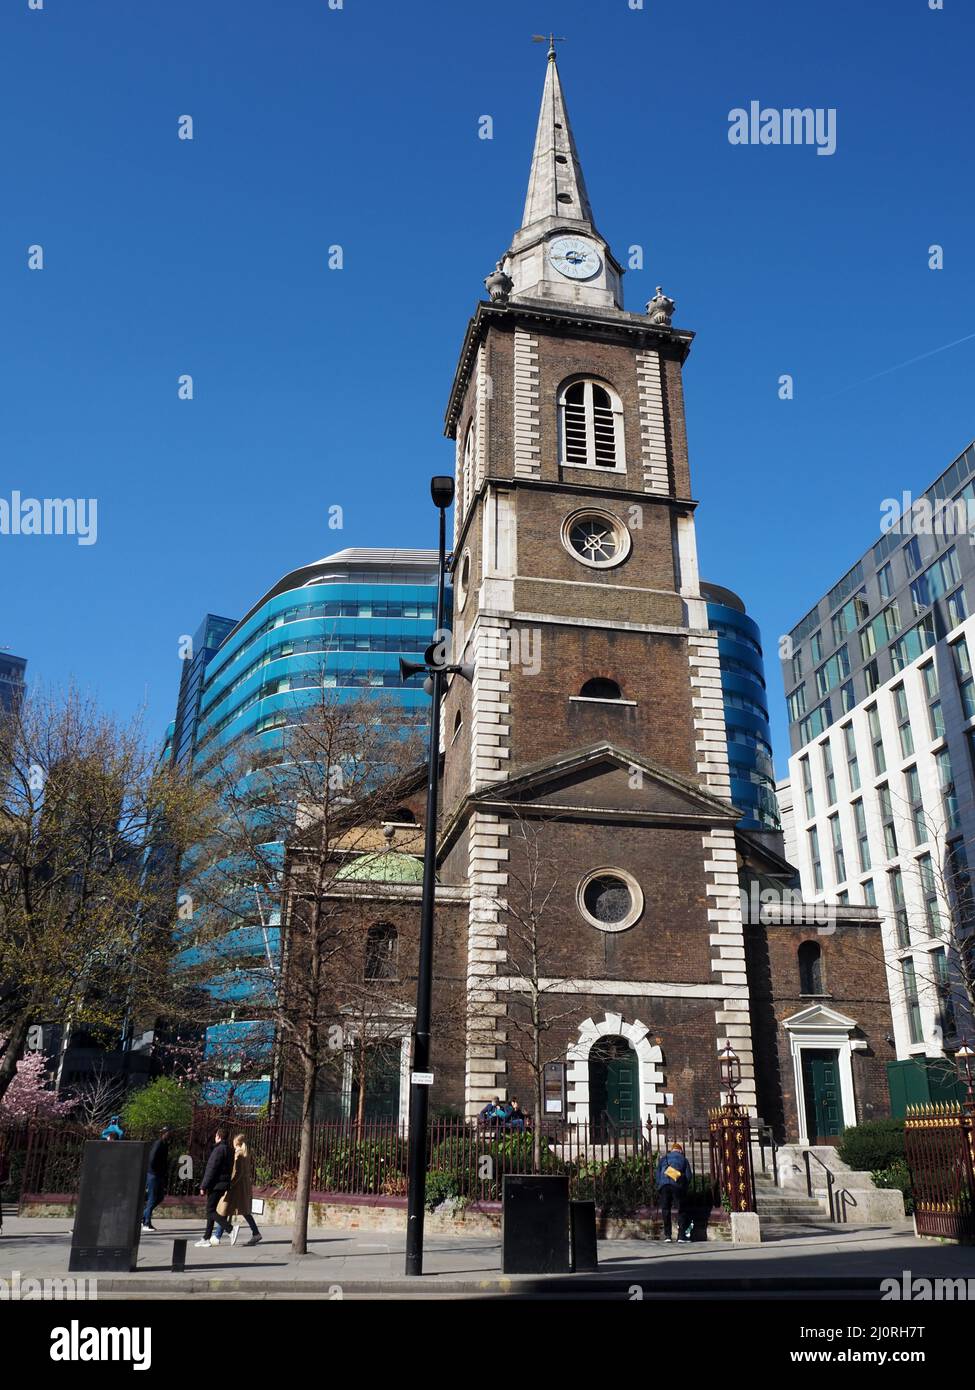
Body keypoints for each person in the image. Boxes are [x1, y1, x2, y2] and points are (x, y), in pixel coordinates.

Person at [222, 1134, 263, 1248]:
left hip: (237, 1187)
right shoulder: (245, 1153)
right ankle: (255, 1232)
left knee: (226, 1208)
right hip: (243, 1187)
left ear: (236, 1143)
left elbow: (237, 1172)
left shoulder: (238, 1154)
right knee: (241, 1210)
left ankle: (217, 1235)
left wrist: (231, 1183)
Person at [195, 1127, 232, 1248]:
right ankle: (206, 1237)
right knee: (210, 1211)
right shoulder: (228, 1150)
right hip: (223, 1184)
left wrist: (203, 1185)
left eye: (216, 1136)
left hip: (215, 1184)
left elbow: (211, 1169)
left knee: (210, 1210)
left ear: (219, 1137)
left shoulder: (218, 1150)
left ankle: (229, 1229)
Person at [655, 1141, 693, 1243]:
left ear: (672, 1150)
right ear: (680, 1150)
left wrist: (659, 1185)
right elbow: (689, 1177)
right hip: (677, 1186)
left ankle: (667, 1236)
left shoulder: (664, 1159)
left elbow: (657, 1174)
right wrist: (684, 1186)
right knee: (681, 1210)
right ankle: (681, 1236)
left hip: (664, 1186)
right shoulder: (684, 1160)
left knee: (666, 1210)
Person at [141, 1125, 172, 1232]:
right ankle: (146, 1223)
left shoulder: (165, 1144)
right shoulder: (158, 1143)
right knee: (152, 1198)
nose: (170, 1134)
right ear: (165, 1133)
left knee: (159, 1197)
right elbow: (152, 1158)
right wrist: (155, 1170)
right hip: (154, 1175)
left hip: (159, 1174)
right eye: (169, 1132)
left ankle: (144, 1216)